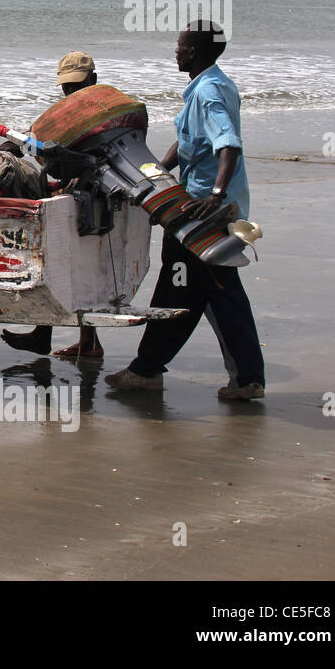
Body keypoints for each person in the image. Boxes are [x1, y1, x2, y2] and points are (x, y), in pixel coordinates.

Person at [106, 21, 265, 400]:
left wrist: (215, 193)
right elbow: (190, 141)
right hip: (200, 207)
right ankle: (237, 377)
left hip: (203, 214)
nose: (175, 51)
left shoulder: (208, 92)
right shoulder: (215, 84)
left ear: (193, 52)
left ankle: (152, 371)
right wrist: (157, 174)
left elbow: (228, 144)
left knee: (196, 288)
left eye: (180, 46)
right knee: (200, 290)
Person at [0, 51, 105, 359]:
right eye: (66, 87)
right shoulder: (65, 114)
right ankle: (78, 340)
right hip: (76, 195)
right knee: (69, 265)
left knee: (73, 266)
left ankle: (82, 341)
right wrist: (9, 146)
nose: (70, 93)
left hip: (93, 197)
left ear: (93, 81)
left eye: (77, 85)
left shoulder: (104, 114)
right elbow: (36, 142)